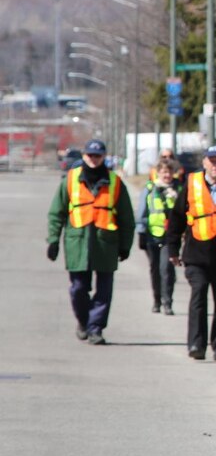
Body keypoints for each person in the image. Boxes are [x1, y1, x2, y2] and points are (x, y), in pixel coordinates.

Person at [47, 139, 135, 345]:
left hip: (106, 243)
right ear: (84, 156)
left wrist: (125, 245)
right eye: (90, 155)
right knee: (78, 288)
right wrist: (53, 240)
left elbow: (127, 218)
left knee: (104, 290)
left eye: (98, 156)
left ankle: (95, 329)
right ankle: (83, 320)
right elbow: (56, 213)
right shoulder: (70, 180)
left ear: (104, 157)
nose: (94, 159)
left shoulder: (115, 182)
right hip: (77, 242)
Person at [168, 146, 216, 361]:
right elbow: (177, 217)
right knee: (198, 295)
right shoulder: (192, 183)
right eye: (211, 160)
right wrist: (173, 247)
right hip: (197, 254)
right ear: (204, 163)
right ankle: (196, 344)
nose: (215, 165)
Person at [139, 158, 182, 315]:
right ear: (158, 173)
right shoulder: (150, 188)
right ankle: (156, 300)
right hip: (152, 235)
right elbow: (142, 211)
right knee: (155, 269)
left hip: (170, 237)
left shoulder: (179, 189)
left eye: (169, 172)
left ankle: (167, 302)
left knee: (167, 269)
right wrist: (141, 232)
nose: (167, 175)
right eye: (164, 172)